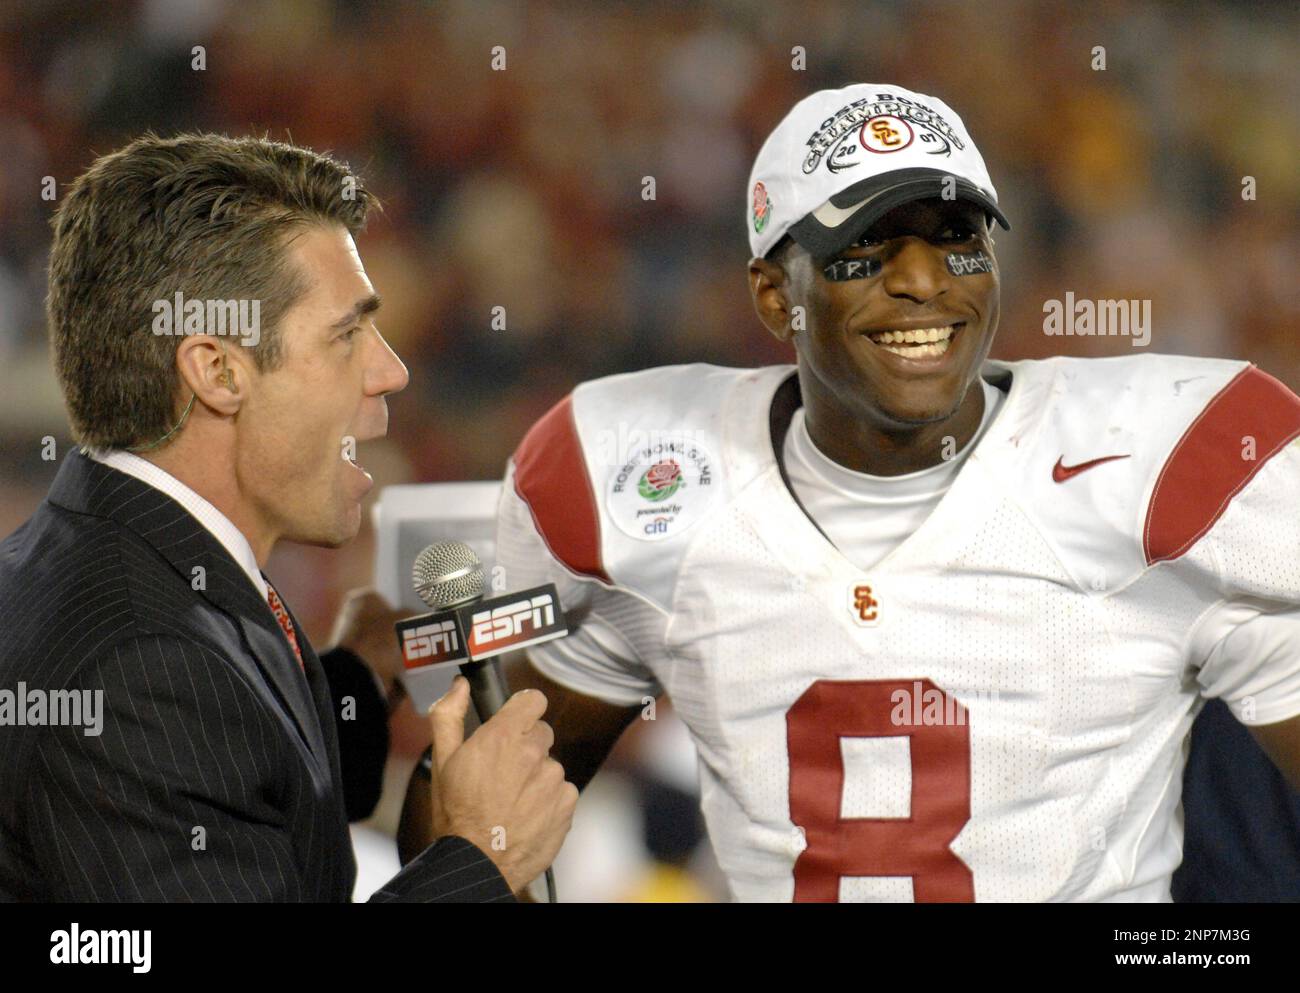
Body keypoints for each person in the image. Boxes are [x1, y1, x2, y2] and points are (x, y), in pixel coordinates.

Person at [400, 83, 1300, 901]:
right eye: (865, 248)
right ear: (770, 293)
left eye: (957, 238)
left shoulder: (1168, 463)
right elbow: (475, 842)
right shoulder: (639, 481)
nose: (923, 280)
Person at [0, 133, 576, 901]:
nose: (392, 370)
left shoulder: (118, 561)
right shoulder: (139, 666)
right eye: (346, 335)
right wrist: (478, 860)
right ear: (217, 372)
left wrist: (358, 681)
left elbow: (230, 777)